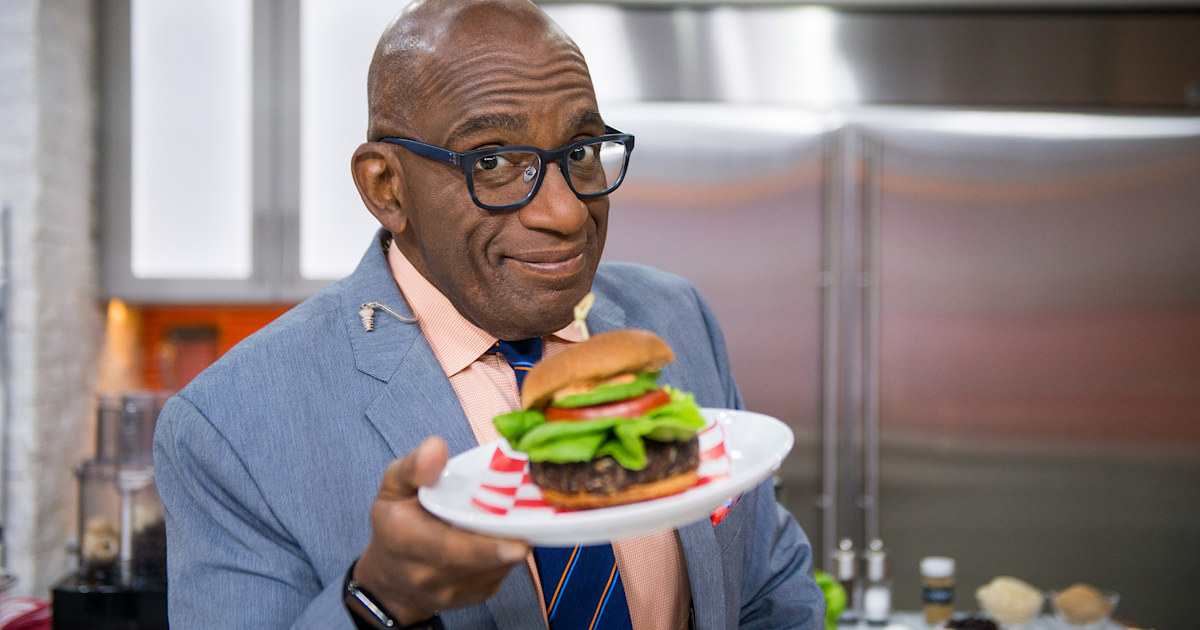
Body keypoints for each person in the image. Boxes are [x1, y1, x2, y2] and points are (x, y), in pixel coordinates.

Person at [152, 0, 824, 628]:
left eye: (582, 151)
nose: (564, 214)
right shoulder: (229, 427)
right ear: (386, 188)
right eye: (494, 161)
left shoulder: (675, 317)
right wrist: (378, 600)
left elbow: (770, 592)